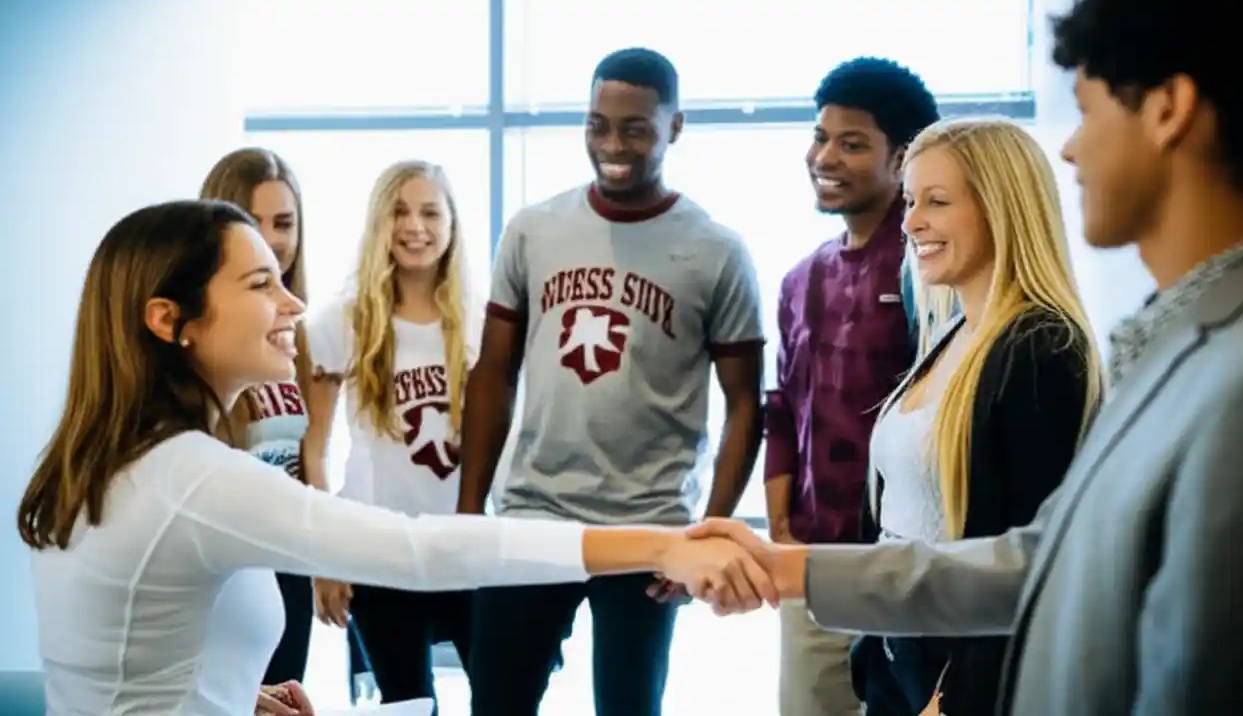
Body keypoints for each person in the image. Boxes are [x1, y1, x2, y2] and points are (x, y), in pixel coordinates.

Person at [689, 0, 1243, 713]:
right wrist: (786, 568)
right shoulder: (1176, 341)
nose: (1068, 148)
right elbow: (1038, 559)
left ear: (1168, 111)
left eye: (1088, 113)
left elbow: (1215, 671)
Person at [16, 199, 778, 716]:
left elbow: (120, 659)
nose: (289, 304)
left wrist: (231, 696)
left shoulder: (119, 461)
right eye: (261, 284)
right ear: (168, 320)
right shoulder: (188, 476)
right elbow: (417, 550)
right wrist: (664, 544)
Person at [459, 47, 765, 715]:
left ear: (674, 128)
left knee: (629, 707)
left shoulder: (717, 250)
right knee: (496, 703)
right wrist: (468, 517)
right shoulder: (533, 230)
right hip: (533, 515)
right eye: (597, 124)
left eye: (634, 128)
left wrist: (710, 528)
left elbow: (746, 404)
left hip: (649, 524)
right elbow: (492, 373)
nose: (612, 144)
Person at [850, 117, 1104, 716]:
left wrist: (953, 697)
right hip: (898, 654)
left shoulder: (1040, 349)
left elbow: (1024, 563)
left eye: (936, 202)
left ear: (1002, 210)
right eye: (911, 200)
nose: (910, 222)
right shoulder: (955, 333)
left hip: (959, 675)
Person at [765, 57, 938, 716]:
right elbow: (782, 409)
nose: (824, 156)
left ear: (902, 159)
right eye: (820, 136)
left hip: (909, 566)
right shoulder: (801, 277)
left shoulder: (933, 270)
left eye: (852, 143)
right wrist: (781, 523)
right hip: (814, 564)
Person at [306, 161, 479, 709]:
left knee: (504, 696)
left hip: (466, 547)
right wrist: (324, 560)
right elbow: (314, 451)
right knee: (407, 702)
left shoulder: (481, 324)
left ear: (452, 225)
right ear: (378, 223)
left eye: (431, 212)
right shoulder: (342, 323)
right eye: (399, 211)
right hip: (377, 550)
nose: (415, 226)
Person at [199, 146, 318, 688]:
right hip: (230, 567)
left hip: (287, 554)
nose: (272, 239)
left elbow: (309, 457)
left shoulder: (299, 331)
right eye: (254, 223)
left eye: (284, 223)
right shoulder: (206, 338)